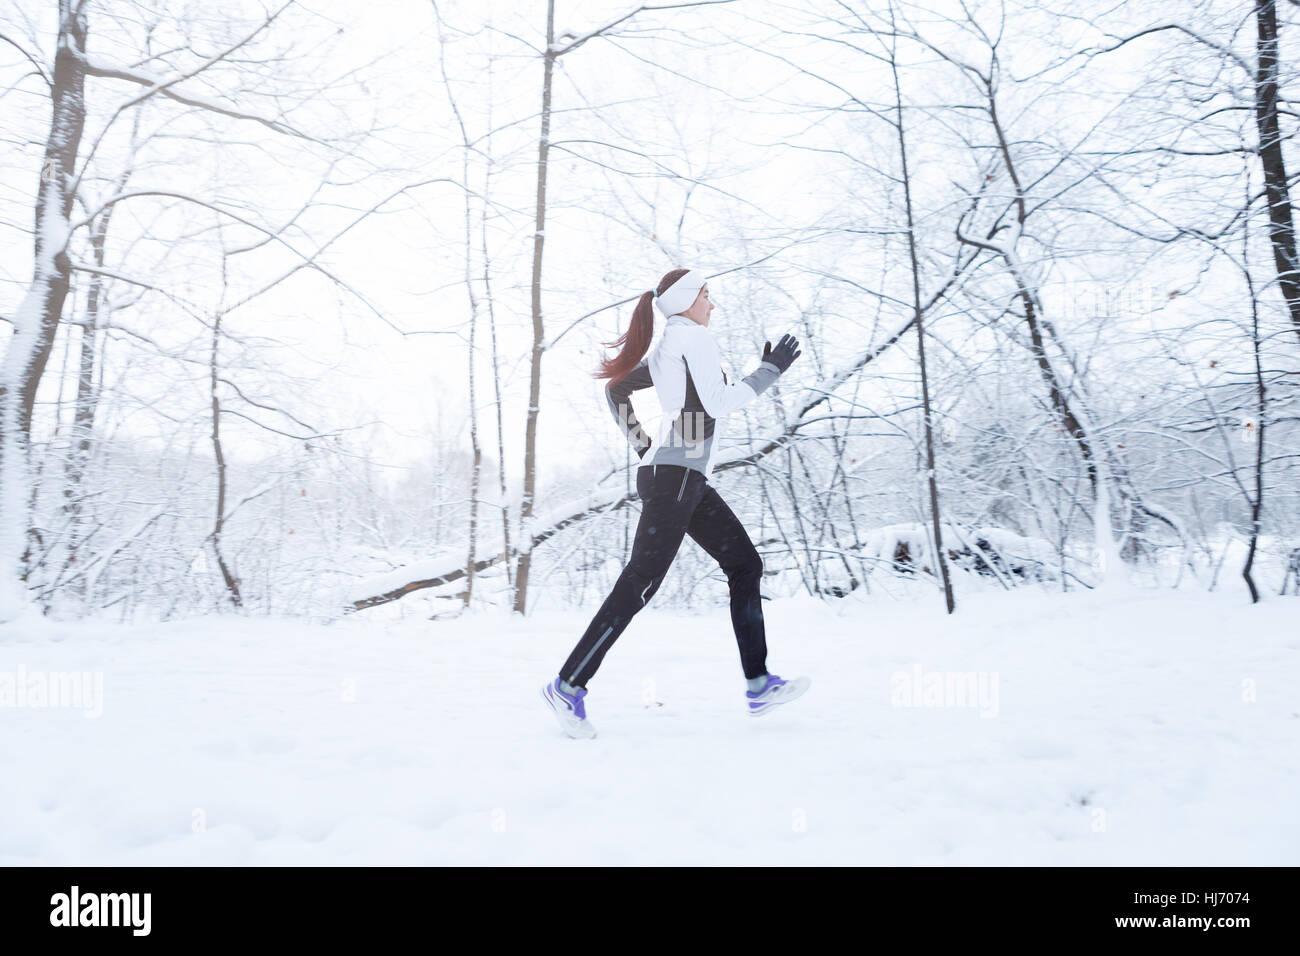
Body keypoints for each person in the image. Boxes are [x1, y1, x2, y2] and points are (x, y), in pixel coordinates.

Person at [540, 268, 811, 738]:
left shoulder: (671, 343)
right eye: (707, 295)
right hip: (677, 476)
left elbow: (618, 391)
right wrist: (770, 372)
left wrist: (647, 448)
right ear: (686, 299)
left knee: (745, 565)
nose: (712, 303)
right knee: (641, 582)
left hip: (680, 475)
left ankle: (759, 683)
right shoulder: (692, 340)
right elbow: (718, 403)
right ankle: (569, 684)